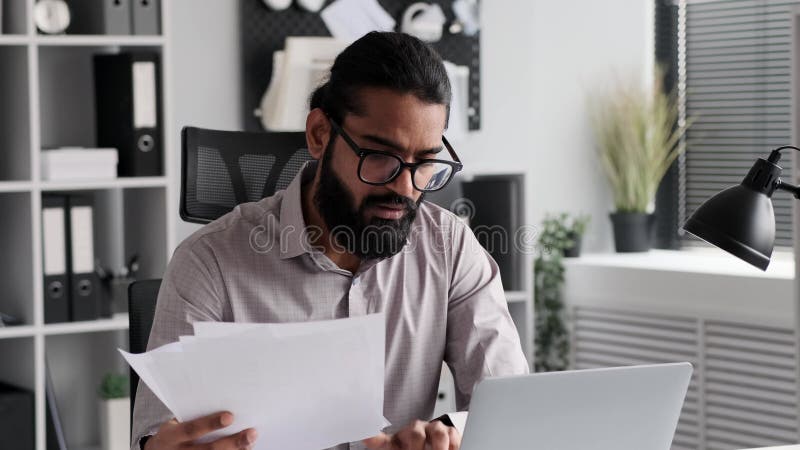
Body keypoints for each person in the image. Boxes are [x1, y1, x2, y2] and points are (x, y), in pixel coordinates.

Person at [131, 31, 528, 450]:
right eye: (380, 156)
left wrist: (446, 435)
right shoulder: (209, 261)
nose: (405, 189)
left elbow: (511, 408)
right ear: (320, 134)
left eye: (426, 162)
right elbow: (159, 434)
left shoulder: (450, 247)